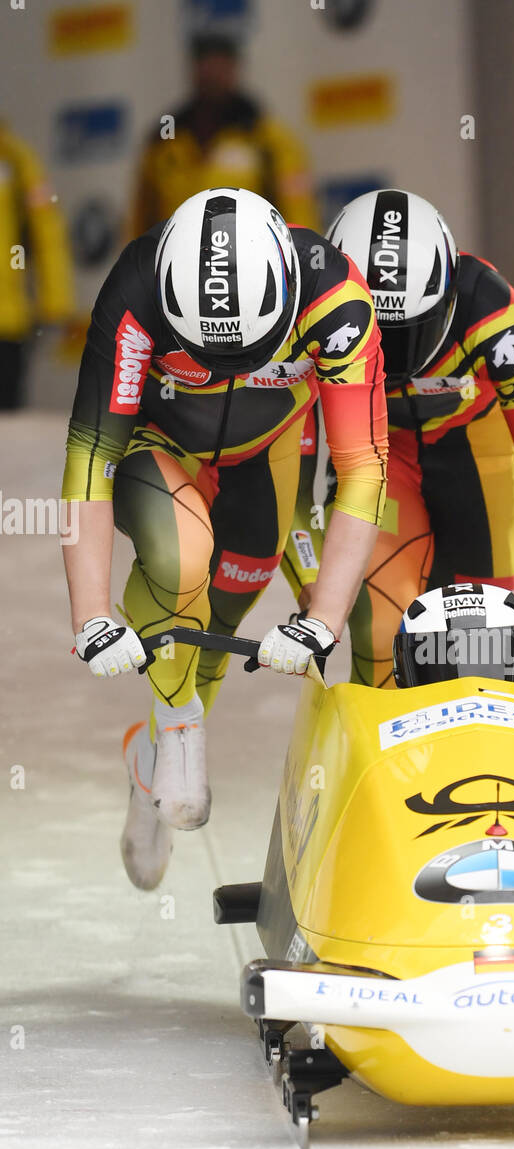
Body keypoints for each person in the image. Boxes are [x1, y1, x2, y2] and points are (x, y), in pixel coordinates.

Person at [62, 186, 388, 890]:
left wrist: (322, 620)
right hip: (161, 443)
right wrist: (90, 612)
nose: (237, 366)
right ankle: (177, 725)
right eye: (216, 354)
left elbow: (362, 466)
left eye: (254, 351)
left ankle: (150, 755)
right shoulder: (136, 290)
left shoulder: (336, 301)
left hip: (269, 452)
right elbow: (91, 456)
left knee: (228, 603)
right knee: (183, 562)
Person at [283, 188, 514, 687]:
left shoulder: (497, 317)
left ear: (448, 300)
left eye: (409, 332)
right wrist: (312, 587)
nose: (390, 358)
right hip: (378, 461)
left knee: (494, 633)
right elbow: (288, 484)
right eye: (374, 333)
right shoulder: (311, 320)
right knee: (379, 629)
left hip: (482, 454)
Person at [130, 34, 318, 237]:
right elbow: (140, 224)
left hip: (249, 259)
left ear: (235, 69)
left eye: (221, 65)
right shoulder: (164, 140)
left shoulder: (268, 139)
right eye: (205, 64)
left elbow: (299, 213)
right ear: (193, 69)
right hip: (175, 261)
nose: (212, 73)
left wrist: (302, 260)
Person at [0, 118, 75, 409]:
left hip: (7, 321)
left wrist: (55, 302)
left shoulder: (16, 160)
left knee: (5, 428)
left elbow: (47, 233)